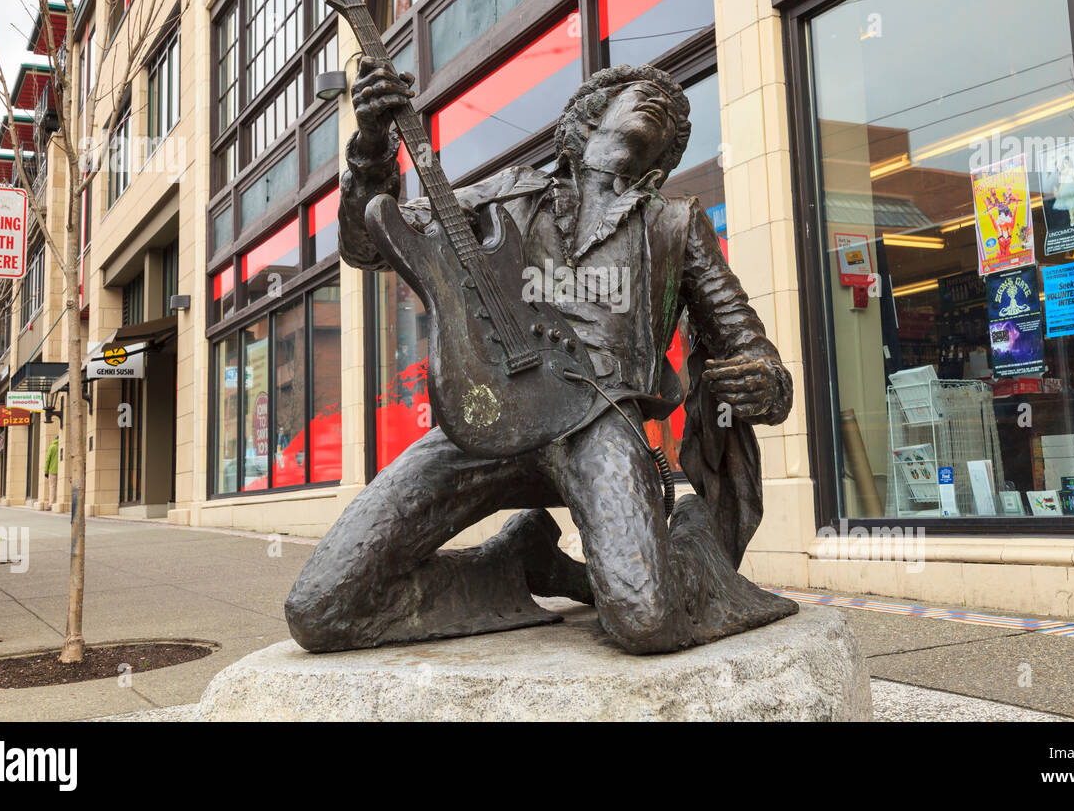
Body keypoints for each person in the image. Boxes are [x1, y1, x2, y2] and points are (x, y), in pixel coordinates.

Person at [285, 61, 797, 655]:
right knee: (320, 610)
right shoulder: (507, 194)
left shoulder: (674, 224)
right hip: (493, 411)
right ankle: (513, 566)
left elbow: (748, 346)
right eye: (642, 92)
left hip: (600, 422)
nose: (664, 100)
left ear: (662, 158)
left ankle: (687, 541)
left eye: (675, 110)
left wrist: (764, 381)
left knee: (645, 618)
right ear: (589, 117)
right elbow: (371, 245)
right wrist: (372, 150)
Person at [44, 435, 59, 505]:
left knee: (52, 487)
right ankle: (58, 502)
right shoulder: (62, 445)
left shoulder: (52, 447)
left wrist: (46, 471)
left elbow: (47, 460)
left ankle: (51, 503)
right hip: (61, 470)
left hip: (52, 470)